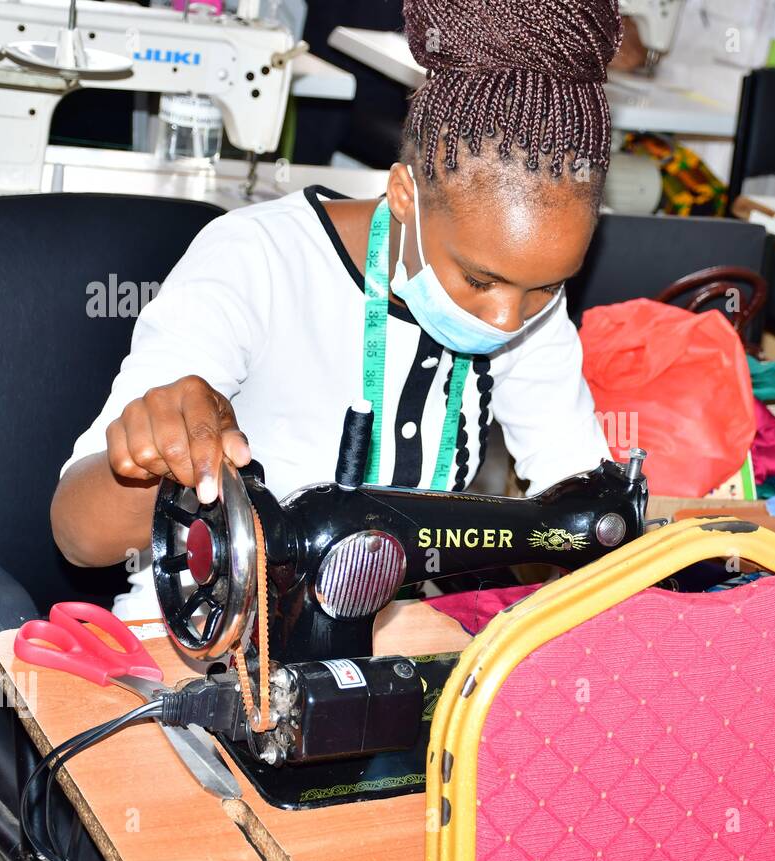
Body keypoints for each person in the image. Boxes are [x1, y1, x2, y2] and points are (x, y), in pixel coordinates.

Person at [51, 0, 625, 618]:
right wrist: (162, 456)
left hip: (394, 638)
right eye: (479, 280)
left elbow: (582, 501)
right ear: (404, 195)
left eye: (545, 289)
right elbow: (79, 537)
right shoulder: (259, 260)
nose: (508, 320)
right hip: (203, 645)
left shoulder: (525, 297)